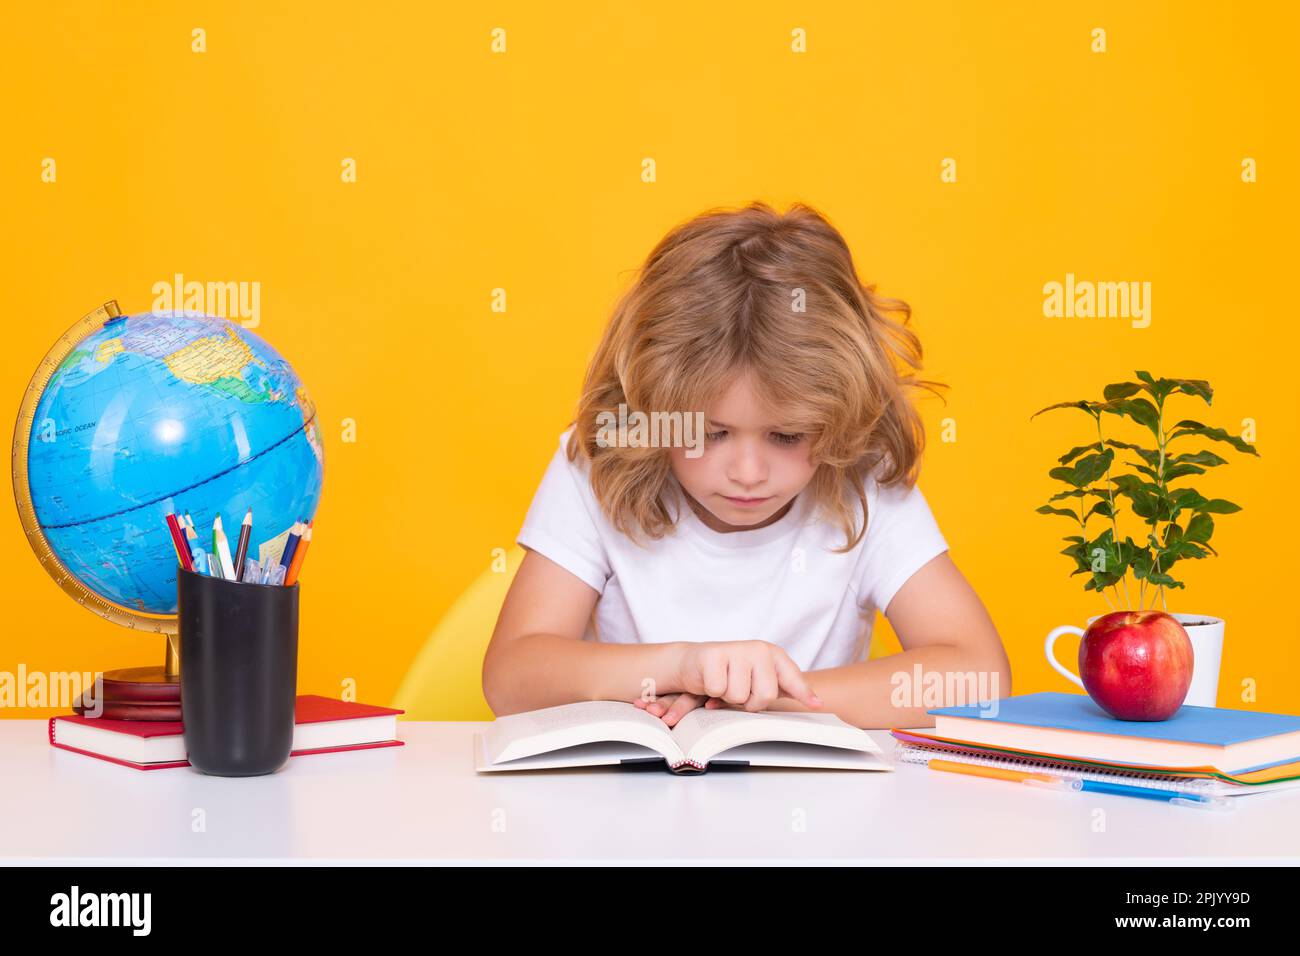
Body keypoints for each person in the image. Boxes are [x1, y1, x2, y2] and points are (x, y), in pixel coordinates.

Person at [482, 201, 1010, 729]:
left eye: (788, 435)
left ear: (839, 418)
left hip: (816, 804)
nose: (749, 472)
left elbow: (978, 677)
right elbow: (511, 677)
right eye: (711, 434)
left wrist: (767, 701)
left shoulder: (858, 477)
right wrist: (681, 667)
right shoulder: (603, 461)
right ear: (650, 408)